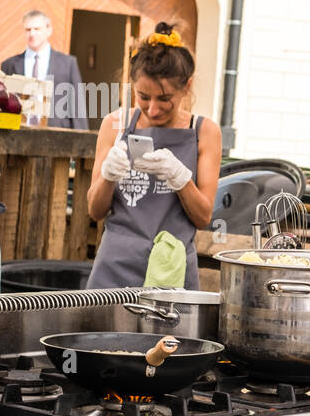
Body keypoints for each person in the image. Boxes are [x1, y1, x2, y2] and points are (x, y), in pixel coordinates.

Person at [85, 24, 220, 290]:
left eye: (165, 98)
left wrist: (181, 179)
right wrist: (107, 177)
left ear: (187, 87)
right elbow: (95, 210)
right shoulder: (115, 123)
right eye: (143, 96)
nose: (153, 109)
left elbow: (203, 217)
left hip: (171, 269)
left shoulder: (203, 131)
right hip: (115, 266)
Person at [0, 10, 85, 129]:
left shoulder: (68, 63)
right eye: (28, 30)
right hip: (17, 131)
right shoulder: (9, 65)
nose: (32, 34)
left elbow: (77, 104)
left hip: (57, 133)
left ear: (48, 30)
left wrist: (81, 140)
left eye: (37, 29)